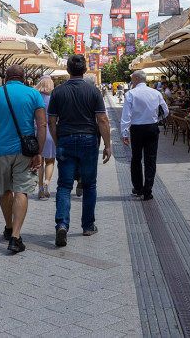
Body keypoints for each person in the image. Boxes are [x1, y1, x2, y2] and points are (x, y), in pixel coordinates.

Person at [0, 65, 46, 254]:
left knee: (5, 189)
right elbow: (41, 124)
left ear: (5, 77)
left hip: (0, 150)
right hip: (25, 151)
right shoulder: (34, 94)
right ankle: (15, 236)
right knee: (21, 191)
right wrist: (39, 152)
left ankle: (8, 226)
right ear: (23, 78)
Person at [48, 54, 112, 247]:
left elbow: (51, 120)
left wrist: (58, 140)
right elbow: (102, 120)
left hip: (66, 139)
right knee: (90, 185)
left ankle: (61, 225)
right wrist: (108, 145)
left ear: (67, 70)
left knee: (64, 185)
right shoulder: (93, 92)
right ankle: (88, 226)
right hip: (88, 140)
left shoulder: (58, 92)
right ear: (85, 71)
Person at [121, 70, 169, 201]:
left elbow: (126, 115)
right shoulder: (156, 93)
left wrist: (124, 132)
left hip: (137, 128)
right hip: (152, 127)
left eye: (132, 79)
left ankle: (138, 187)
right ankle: (148, 190)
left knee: (136, 158)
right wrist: (156, 119)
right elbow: (166, 111)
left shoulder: (130, 94)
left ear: (136, 79)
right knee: (150, 158)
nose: (131, 81)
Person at [36, 75, 57, 200]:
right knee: (50, 161)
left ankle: (39, 187)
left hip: (37, 132)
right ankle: (47, 182)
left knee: (39, 162)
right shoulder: (54, 98)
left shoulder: (35, 97)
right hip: (51, 132)